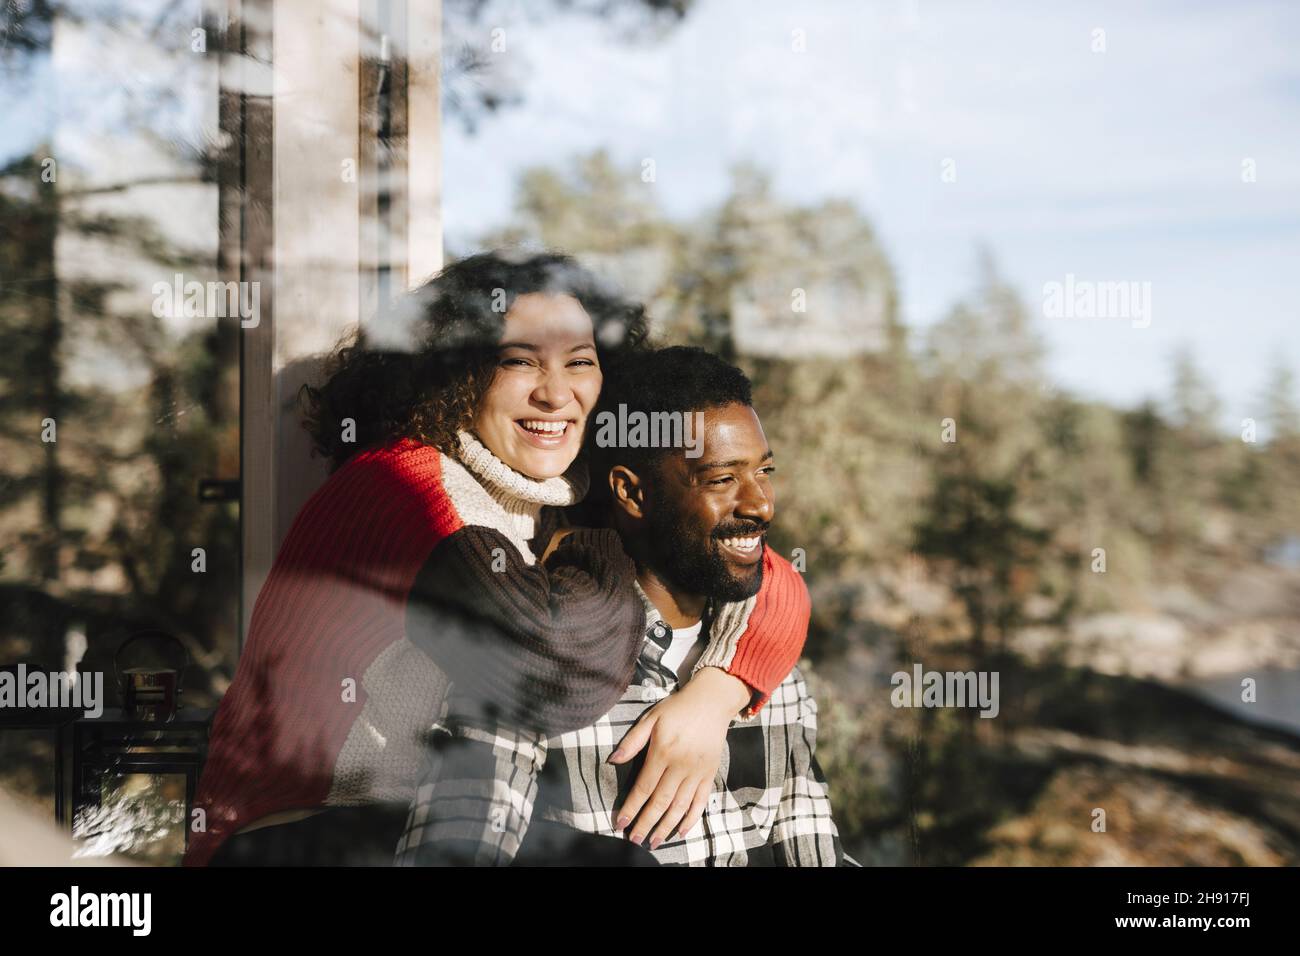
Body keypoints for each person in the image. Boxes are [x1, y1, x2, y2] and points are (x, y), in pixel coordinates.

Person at [185, 253, 808, 866]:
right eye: (519, 361)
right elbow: (551, 672)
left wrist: (717, 697)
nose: (555, 393)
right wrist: (601, 543)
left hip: (428, 820)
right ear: (452, 375)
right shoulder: (404, 488)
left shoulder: (547, 492)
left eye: (580, 363)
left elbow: (760, 573)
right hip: (292, 831)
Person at [396, 347, 842, 866]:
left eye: (764, 472)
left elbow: (812, 849)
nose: (760, 504)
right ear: (632, 493)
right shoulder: (537, 660)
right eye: (722, 480)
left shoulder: (770, 673)